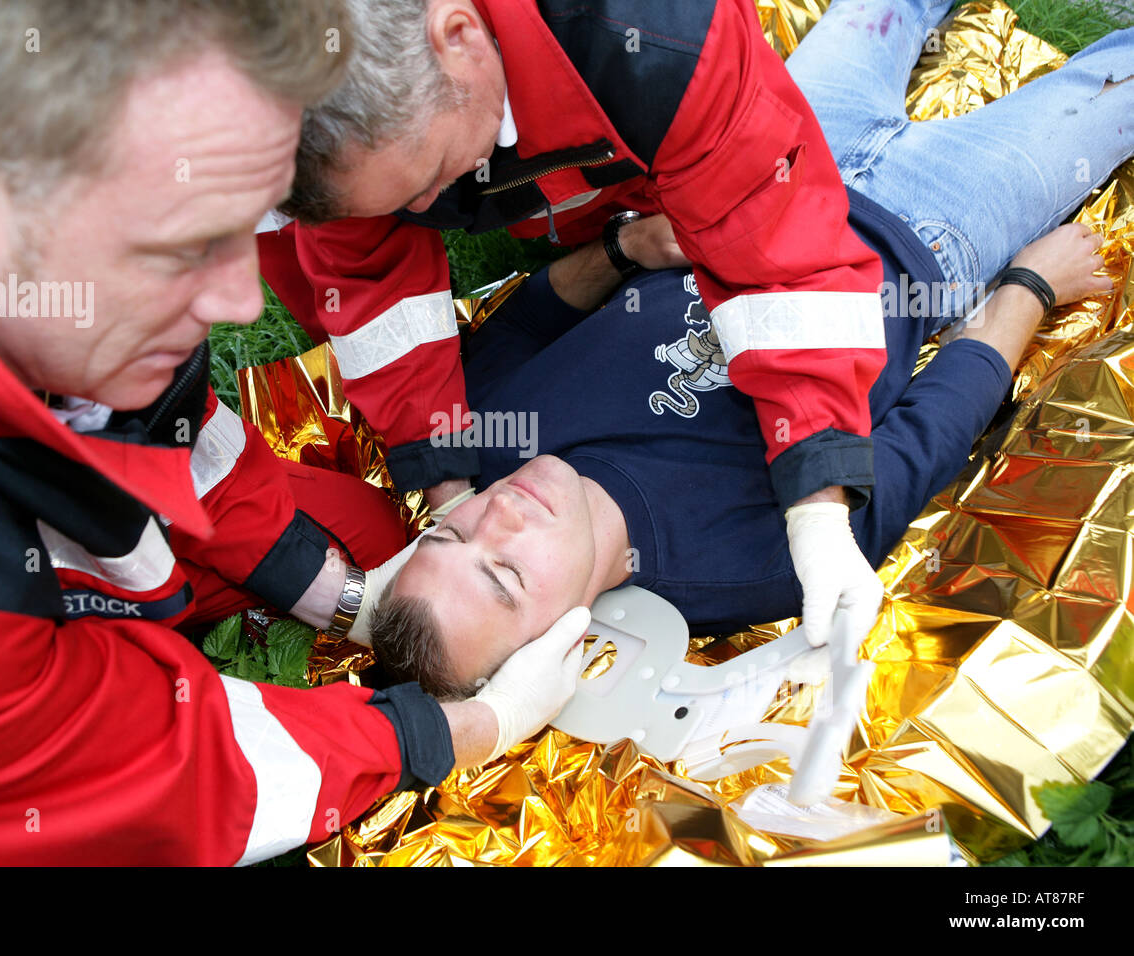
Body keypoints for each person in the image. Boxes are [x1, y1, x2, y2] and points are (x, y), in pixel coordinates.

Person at [0, 0, 588, 866]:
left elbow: (187, 444)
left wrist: (345, 597)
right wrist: (454, 731)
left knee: (362, 529)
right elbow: (171, 772)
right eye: (188, 246)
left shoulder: (62, 292)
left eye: (249, 225)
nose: (239, 302)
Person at [367, 0, 1131, 697]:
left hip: (762, 158)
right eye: (503, 575)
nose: (493, 518)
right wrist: (1030, 285)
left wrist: (627, 248)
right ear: (562, 642)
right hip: (928, 233)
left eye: (451, 532)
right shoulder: (745, 569)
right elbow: (924, 439)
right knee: (1118, 86)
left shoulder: (488, 438)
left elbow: (528, 321)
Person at [261, 0, 898, 656]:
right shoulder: (342, 107)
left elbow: (773, 243)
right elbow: (374, 283)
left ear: (458, 37)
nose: (422, 210)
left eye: (423, 180)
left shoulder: (662, 39)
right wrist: (445, 484)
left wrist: (818, 496)